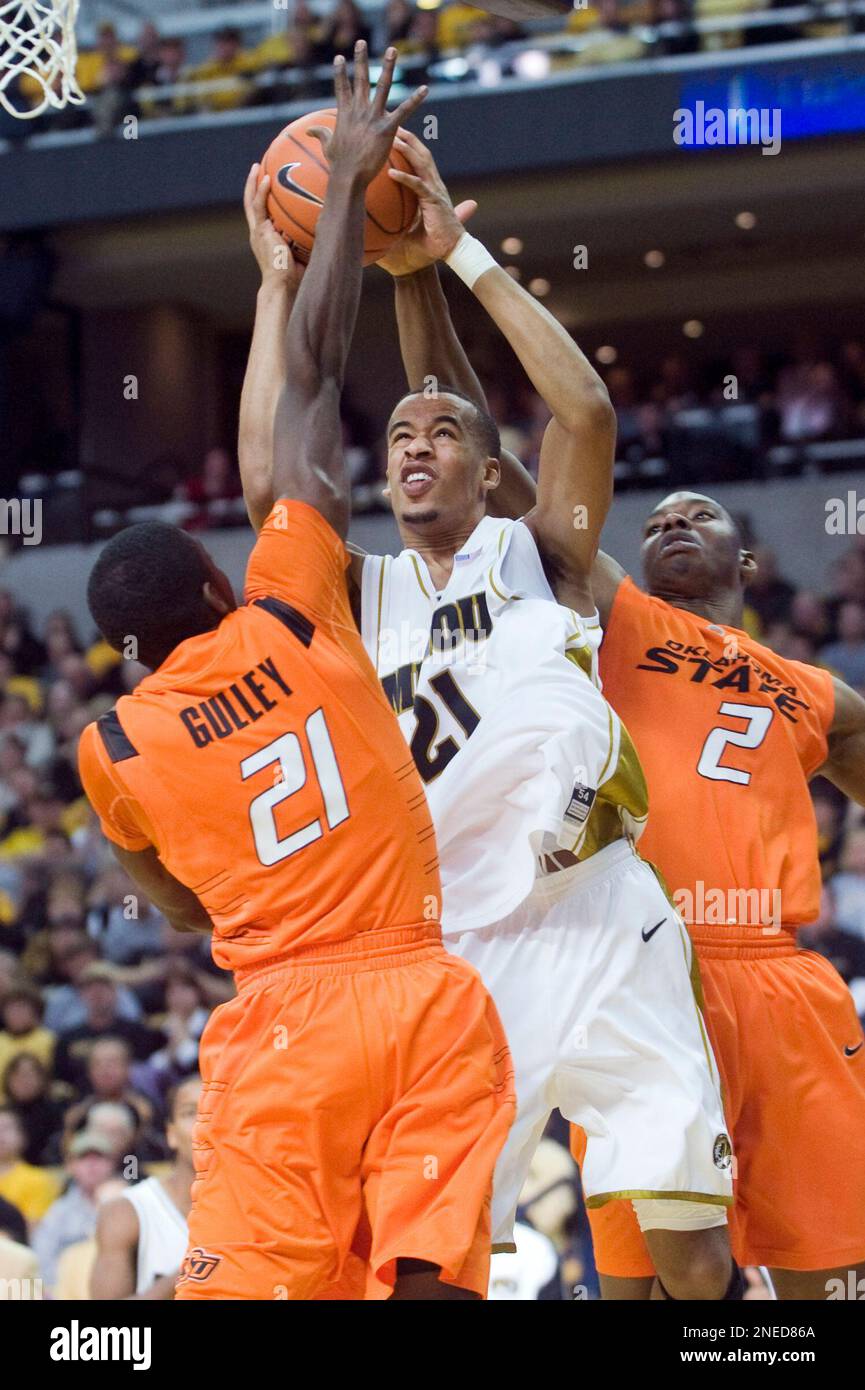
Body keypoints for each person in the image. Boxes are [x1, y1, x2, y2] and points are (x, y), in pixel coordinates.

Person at [240, 125, 738, 1300]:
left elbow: (588, 413)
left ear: (484, 467)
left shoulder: (539, 557)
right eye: (399, 436)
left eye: (443, 432)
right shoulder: (356, 592)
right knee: (433, 1255)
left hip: (607, 917)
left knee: (693, 1253)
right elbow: (272, 478)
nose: (415, 445)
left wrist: (459, 258)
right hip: (457, 957)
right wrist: (275, 289)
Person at [77, 46, 512, 1302]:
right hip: (427, 992)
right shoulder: (288, 614)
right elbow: (311, 403)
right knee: (425, 1281)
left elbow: (170, 905)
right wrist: (319, 243)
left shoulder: (114, 747)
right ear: (216, 589)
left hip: (281, 1020)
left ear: (133, 654)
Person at [90, 1076, 200, 1299]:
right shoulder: (127, 1210)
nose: (206, 1123)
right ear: (170, 1134)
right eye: (191, 1113)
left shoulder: (264, 1206)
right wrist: (193, 1271)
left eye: (217, 1110)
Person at [31, 1130, 116, 1293]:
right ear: (70, 1166)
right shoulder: (59, 1211)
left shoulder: (128, 1204)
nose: (92, 1164)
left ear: (112, 1164)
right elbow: (42, 1258)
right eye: (83, 1158)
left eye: (99, 1157)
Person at [0, 1106, 60, 1224]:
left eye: (6, 1128)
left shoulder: (39, 1180)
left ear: (22, 1136)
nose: (0, 1135)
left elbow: (33, 1229)